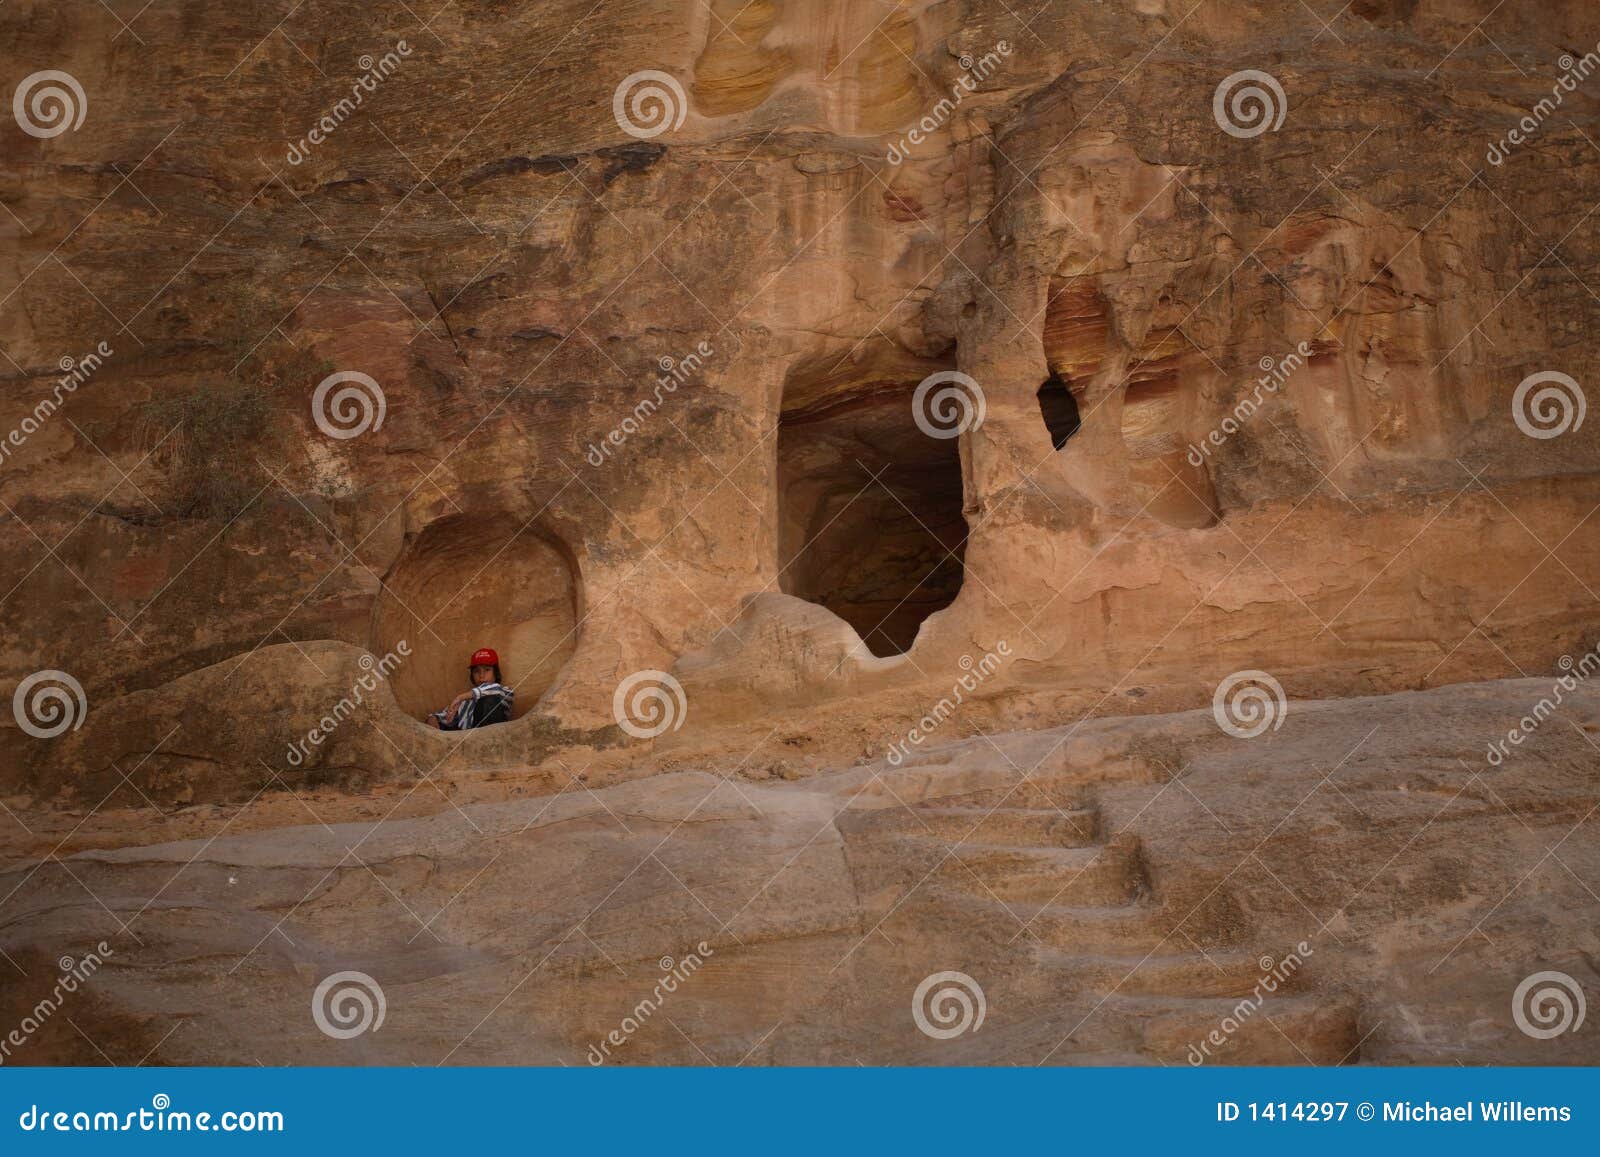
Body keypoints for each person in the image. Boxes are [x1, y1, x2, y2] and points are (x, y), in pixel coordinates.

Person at [428, 647, 514, 730]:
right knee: (447, 723)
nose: (481, 676)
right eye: (477, 671)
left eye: (487, 670)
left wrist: (460, 697)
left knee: (490, 700)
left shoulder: (505, 691)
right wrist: (433, 718)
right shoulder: (465, 701)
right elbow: (445, 715)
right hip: (470, 738)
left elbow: (495, 688)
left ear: (496, 673)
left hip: (492, 737)